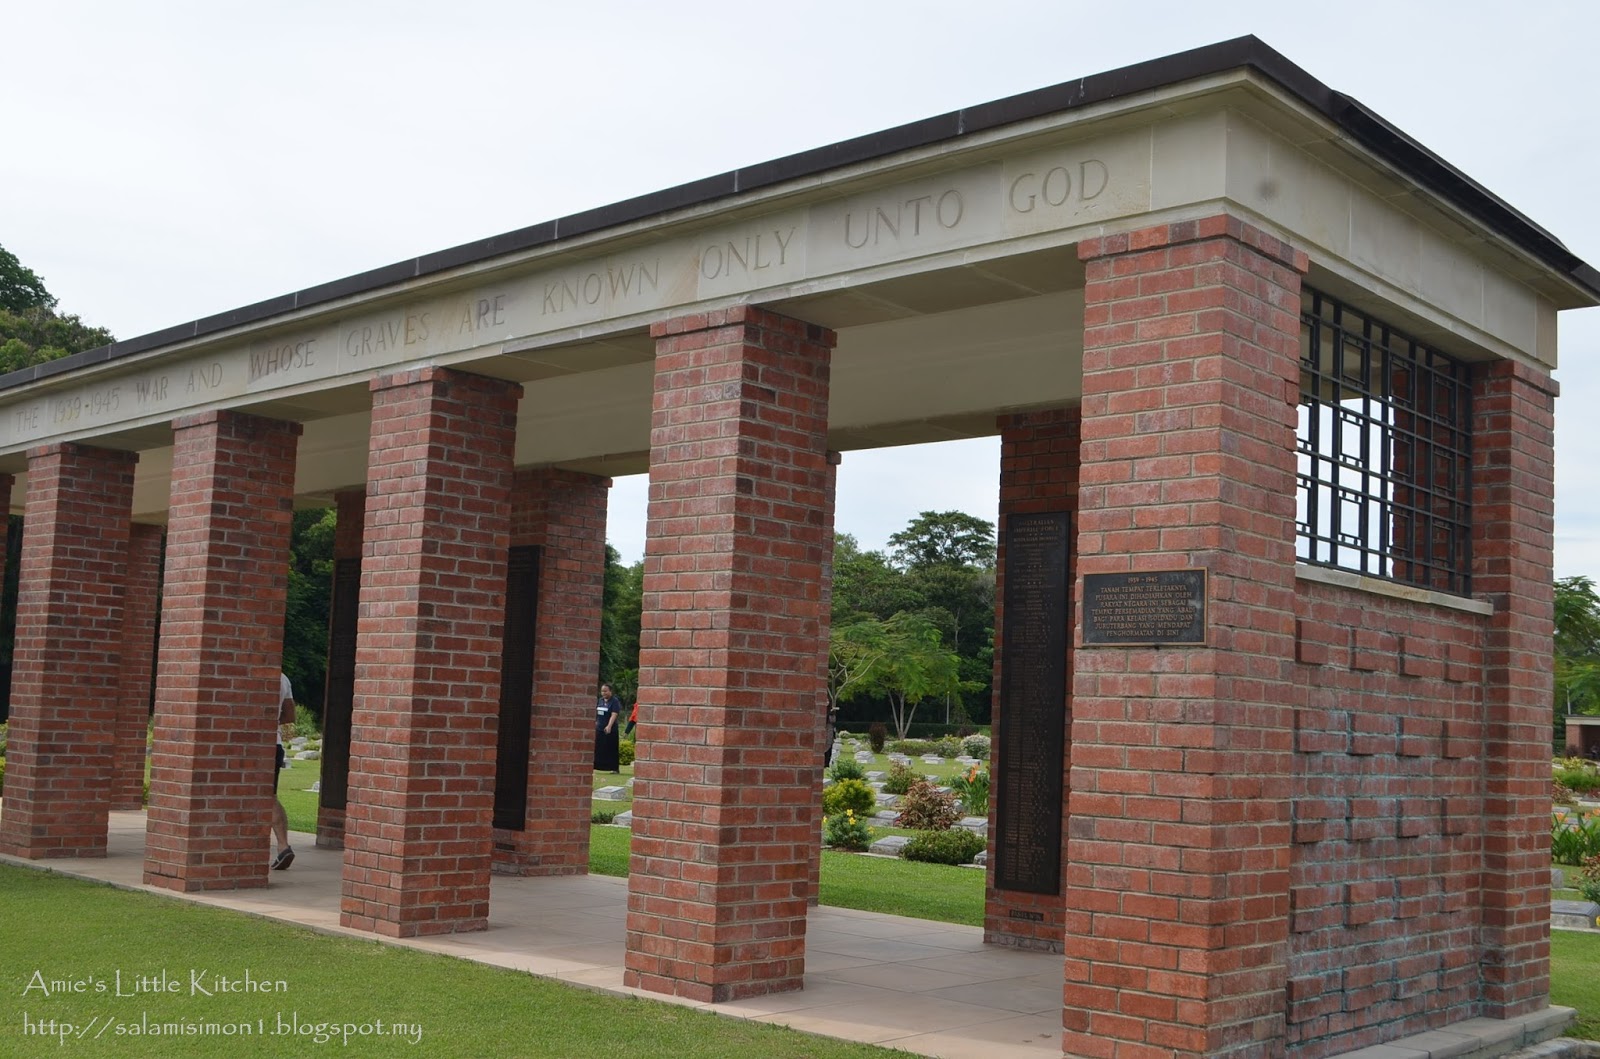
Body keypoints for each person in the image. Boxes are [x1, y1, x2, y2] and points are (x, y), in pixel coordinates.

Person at [271, 672, 297, 870]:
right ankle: (282, 846)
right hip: (275, 744)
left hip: (253, 743)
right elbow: (290, 714)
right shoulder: (283, 678)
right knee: (269, 797)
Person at [594, 683, 622, 773]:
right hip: (599, 728)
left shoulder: (614, 701)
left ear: (610, 691)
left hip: (611, 729)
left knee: (611, 749)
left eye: (605, 691)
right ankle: (597, 766)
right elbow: (597, 714)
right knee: (599, 748)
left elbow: (614, 714)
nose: (604, 693)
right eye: (602, 691)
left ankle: (614, 768)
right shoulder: (600, 701)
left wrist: (609, 726)